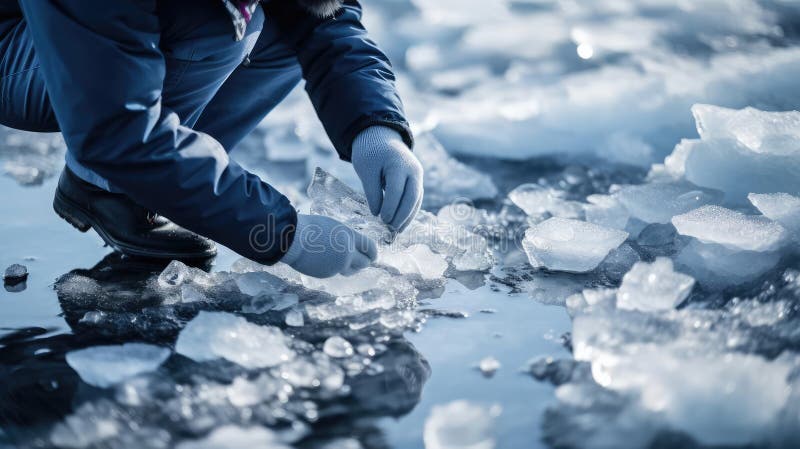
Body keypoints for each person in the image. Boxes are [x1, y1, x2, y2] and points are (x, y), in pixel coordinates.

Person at [0, 0, 423, 278]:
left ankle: (158, 181)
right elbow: (117, 126)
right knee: (215, 21)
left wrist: (377, 129)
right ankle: (110, 184)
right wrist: (280, 233)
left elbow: (326, 19)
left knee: (283, 17)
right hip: (22, 42)